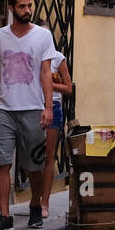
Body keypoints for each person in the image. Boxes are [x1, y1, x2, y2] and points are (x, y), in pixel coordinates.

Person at [0, 0, 55, 230]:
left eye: (29, 5)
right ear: (12, 8)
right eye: (22, 6)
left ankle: (35, 203)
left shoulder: (42, 37)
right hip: (4, 109)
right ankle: (4, 216)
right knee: (2, 162)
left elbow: (46, 73)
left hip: (33, 109)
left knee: (33, 165)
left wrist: (48, 107)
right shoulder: (0, 36)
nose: (27, 10)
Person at [41, 45, 73, 220]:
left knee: (48, 155)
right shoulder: (30, 56)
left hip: (53, 107)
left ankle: (44, 201)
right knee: (30, 156)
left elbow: (68, 88)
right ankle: (36, 198)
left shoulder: (58, 58)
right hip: (32, 107)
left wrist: (48, 82)